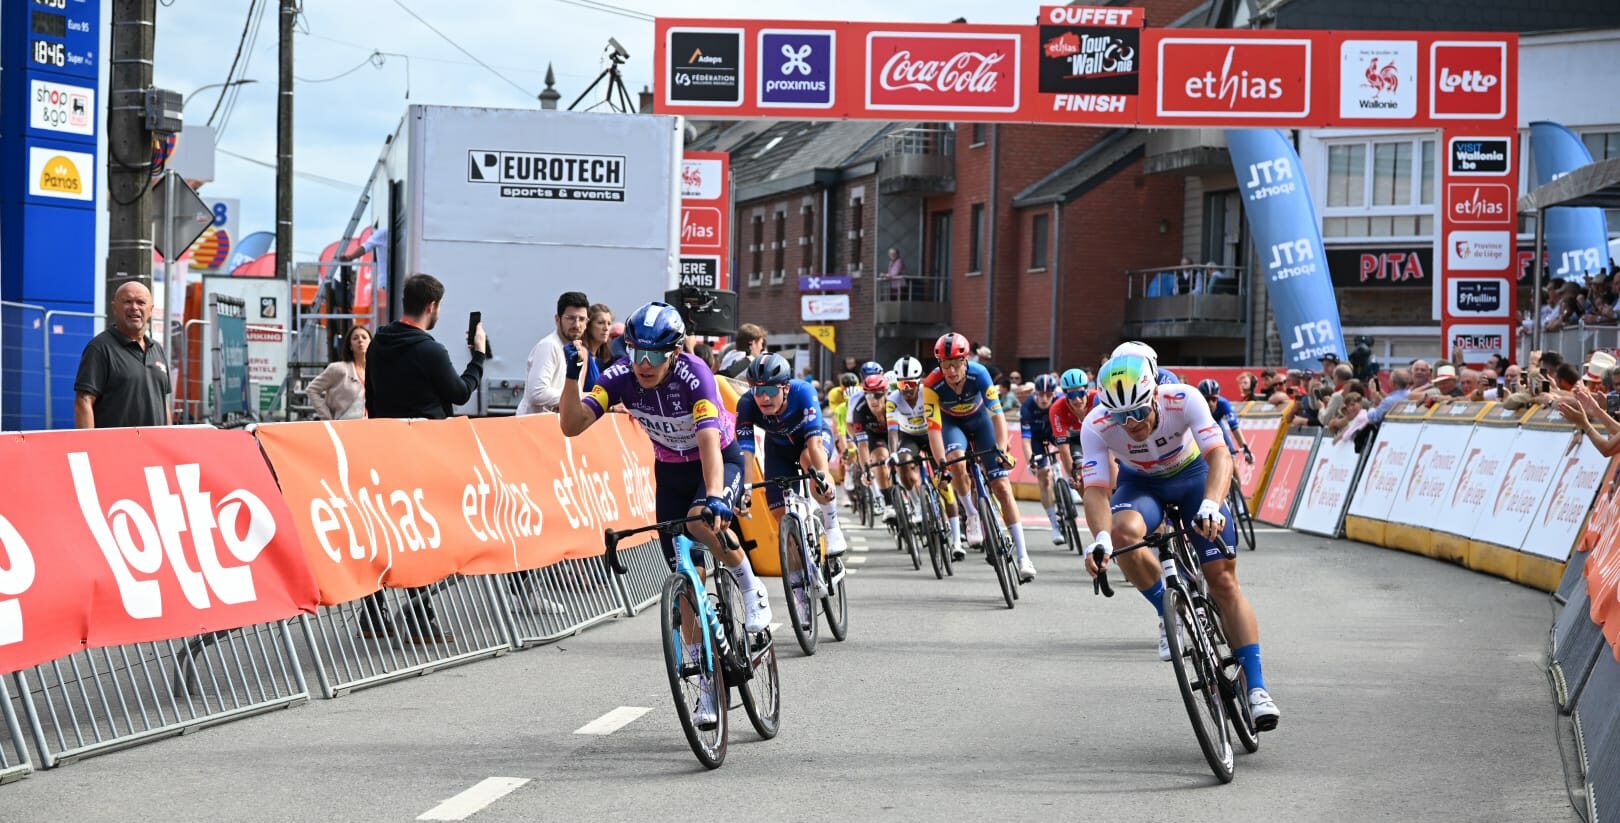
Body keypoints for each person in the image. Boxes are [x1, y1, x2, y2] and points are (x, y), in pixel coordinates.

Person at [1080, 353, 1280, 731]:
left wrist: (1211, 503)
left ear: (1154, 394)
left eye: (1139, 412)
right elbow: (1095, 488)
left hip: (1193, 477)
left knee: (1223, 581)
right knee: (1124, 534)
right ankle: (1170, 611)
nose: (1133, 424)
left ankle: (1256, 688)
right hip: (1141, 487)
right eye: (1122, 417)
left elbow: (1220, 455)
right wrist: (1101, 538)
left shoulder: (1183, 398)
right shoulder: (1096, 423)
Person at [363, 273, 489, 644]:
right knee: (421, 535)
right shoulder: (429, 349)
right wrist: (478, 356)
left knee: (388, 533)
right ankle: (420, 618)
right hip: (421, 454)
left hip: (382, 448)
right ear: (432, 306)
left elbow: (370, 397)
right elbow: (461, 392)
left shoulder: (378, 344)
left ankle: (374, 615)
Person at [926, 332, 1036, 583]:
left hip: (981, 422)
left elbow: (997, 415)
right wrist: (942, 464)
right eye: (945, 365)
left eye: (955, 364)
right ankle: (972, 514)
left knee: (1002, 488)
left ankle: (1023, 557)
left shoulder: (980, 374)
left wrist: (1002, 450)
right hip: (952, 425)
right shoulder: (931, 384)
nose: (951, 371)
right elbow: (933, 430)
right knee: (955, 458)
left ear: (966, 361)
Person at [736, 353, 851, 558]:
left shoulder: (803, 391)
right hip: (778, 449)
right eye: (758, 390)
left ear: (786, 388)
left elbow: (815, 444)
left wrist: (823, 479)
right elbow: (745, 451)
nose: (764, 397)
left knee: (810, 462)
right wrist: (744, 491)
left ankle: (832, 526)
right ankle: (797, 581)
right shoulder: (746, 404)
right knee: (781, 517)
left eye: (771, 389)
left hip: (811, 440)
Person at [885, 356, 961, 558]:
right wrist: (892, 453)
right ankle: (917, 504)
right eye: (902, 383)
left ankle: (957, 540)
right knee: (902, 463)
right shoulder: (892, 399)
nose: (906, 388)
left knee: (945, 485)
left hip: (932, 435)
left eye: (910, 383)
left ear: (919, 381)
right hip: (910, 438)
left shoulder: (927, 394)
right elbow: (892, 429)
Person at [74, 281, 171, 429]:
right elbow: (84, 401)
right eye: (127, 301)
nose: (134, 307)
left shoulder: (157, 349)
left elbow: (163, 402)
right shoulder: (99, 348)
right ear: (114, 307)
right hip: (116, 449)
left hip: (154, 448)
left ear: (150, 310)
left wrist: (168, 437)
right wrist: (90, 445)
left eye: (141, 302)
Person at [517, 292, 596, 415]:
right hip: (534, 428)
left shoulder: (575, 348)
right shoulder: (549, 346)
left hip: (555, 427)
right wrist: (577, 399)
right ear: (557, 319)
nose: (577, 324)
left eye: (581, 319)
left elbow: (576, 394)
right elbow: (537, 393)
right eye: (570, 318)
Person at [1018, 374, 1068, 544]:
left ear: (1054, 394)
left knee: (1067, 450)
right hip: (1036, 438)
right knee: (1044, 477)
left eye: (1048, 394)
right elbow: (1025, 440)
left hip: (1055, 432)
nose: (1044, 398)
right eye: (1040, 394)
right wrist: (1030, 460)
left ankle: (1068, 484)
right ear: (1035, 393)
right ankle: (1054, 525)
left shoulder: (1061, 400)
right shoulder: (1027, 407)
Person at [849, 372, 898, 527]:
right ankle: (889, 504)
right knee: (879, 459)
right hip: (875, 436)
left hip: (897, 432)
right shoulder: (860, 410)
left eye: (877, 395)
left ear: (885, 394)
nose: (873, 400)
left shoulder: (894, 403)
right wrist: (866, 471)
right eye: (869, 396)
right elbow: (862, 445)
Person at [306, 325, 371, 420]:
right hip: (343, 427)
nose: (360, 340)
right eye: (355, 338)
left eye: (364, 337)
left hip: (370, 427)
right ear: (350, 346)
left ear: (371, 343)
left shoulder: (376, 371)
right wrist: (327, 417)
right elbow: (312, 390)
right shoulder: (338, 369)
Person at [1049, 368, 1097, 488]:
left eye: (1080, 393)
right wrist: (1073, 475)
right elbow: (1064, 449)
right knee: (1079, 474)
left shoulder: (1098, 399)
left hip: (1098, 436)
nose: (1077, 399)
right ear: (1065, 395)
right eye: (1072, 395)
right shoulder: (1057, 409)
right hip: (1076, 439)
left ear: (1087, 390)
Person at [1197, 379, 1255, 467]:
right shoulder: (1195, 405)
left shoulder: (1224, 404)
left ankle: (1238, 480)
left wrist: (1246, 449)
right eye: (1206, 399)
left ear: (1218, 397)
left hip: (1217, 423)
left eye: (1214, 399)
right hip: (1201, 425)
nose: (1210, 403)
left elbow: (1235, 428)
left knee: (1231, 454)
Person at [583, 303, 616, 372]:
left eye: (609, 324)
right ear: (588, 325)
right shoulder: (580, 355)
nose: (606, 328)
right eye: (600, 323)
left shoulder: (607, 360)